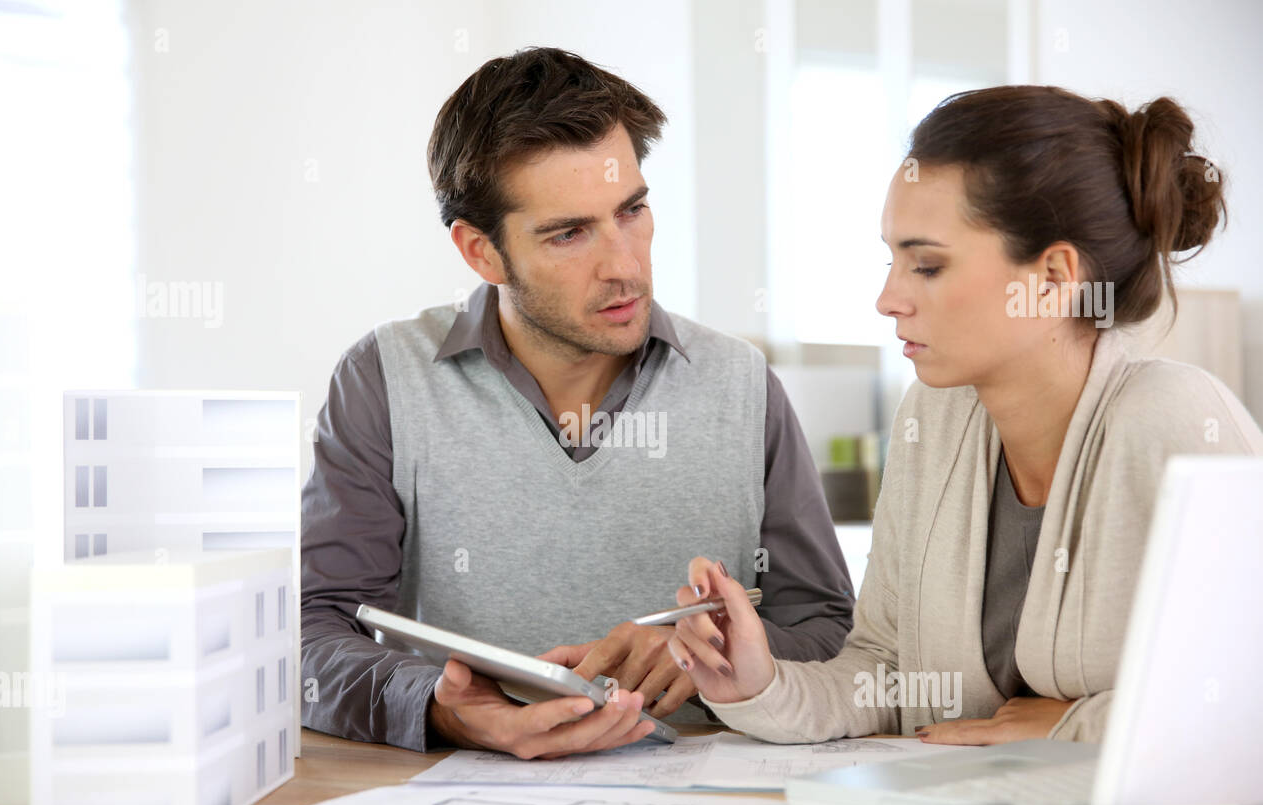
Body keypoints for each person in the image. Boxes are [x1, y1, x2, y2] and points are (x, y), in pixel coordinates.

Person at [299, 47, 856, 758]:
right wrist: (448, 712)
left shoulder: (741, 384)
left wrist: (717, 657)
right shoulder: (383, 378)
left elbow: (828, 628)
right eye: (569, 233)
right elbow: (314, 632)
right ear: (482, 253)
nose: (624, 264)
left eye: (633, 212)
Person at [666, 86, 1263, 746]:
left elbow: (1245, 706)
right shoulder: (934, 419)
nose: (888, 298)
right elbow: (886, 673)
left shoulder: (1177, 422)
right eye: (891, 260)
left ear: (1054, 277)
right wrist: (757, 683)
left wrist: (1075, 727)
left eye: (927, 264)